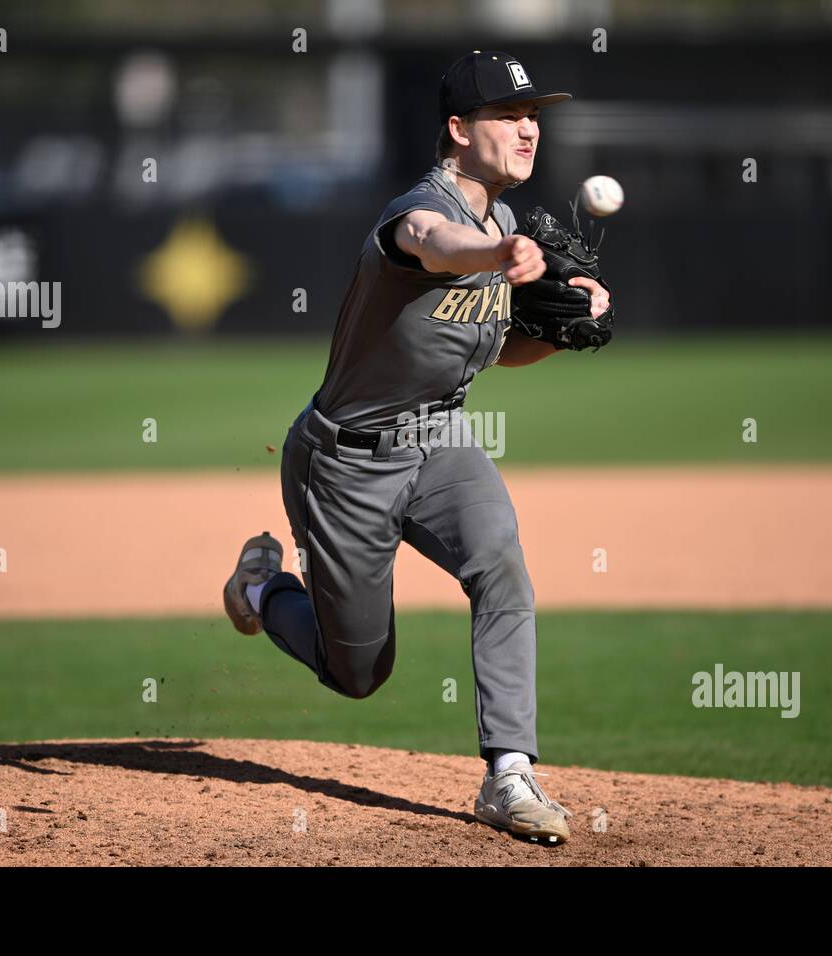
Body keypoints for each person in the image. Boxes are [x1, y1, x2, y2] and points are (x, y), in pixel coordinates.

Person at [223, 51, 610, 845]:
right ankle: (261, 590)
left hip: (439, 441)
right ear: (459, 130)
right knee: (359, 673)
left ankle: (509, 775)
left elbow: (488, 347)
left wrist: (565, 333)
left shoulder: (505, 222)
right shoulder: (422, 213)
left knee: (500, 560)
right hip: (345, 464)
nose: (529, 128)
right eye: (509, 115)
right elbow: (429, 244)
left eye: (534, 114)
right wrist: (493, 259)